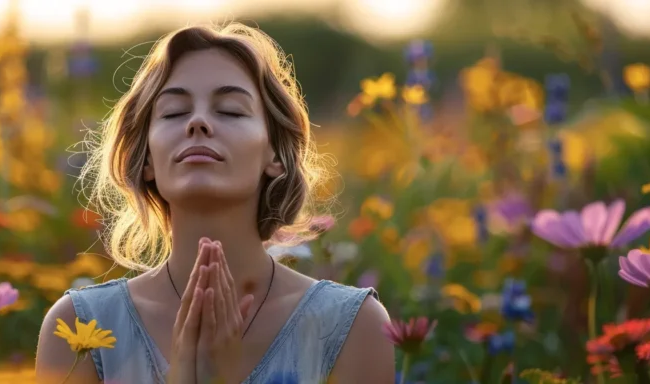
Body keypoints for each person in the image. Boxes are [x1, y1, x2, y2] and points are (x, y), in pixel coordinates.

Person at [35, 22, 395, 383]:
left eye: (230, 111)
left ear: (275, 153)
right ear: (146, 160)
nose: (198, 122)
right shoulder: (77, 328)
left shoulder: (353, 327)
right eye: (174, 112)